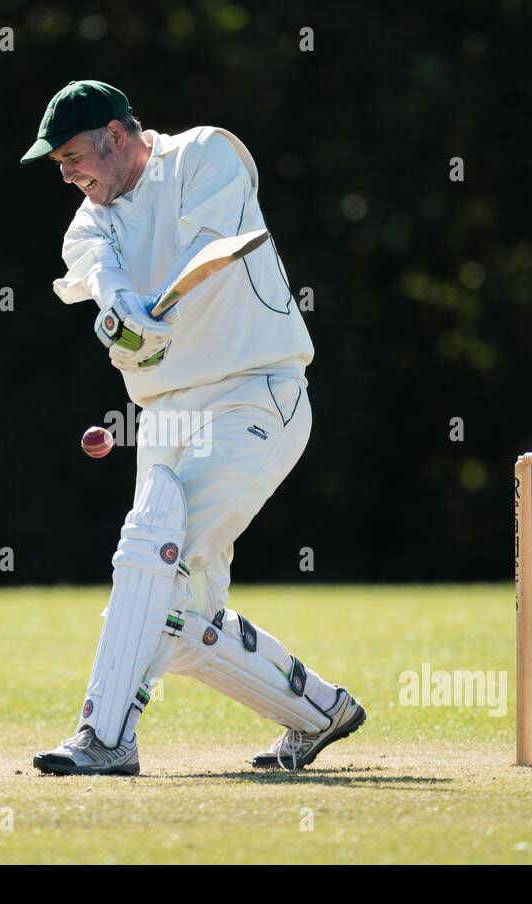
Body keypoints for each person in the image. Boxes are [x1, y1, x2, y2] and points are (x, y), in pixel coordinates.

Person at [21, 80, 364, 775]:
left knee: (154, 556)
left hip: (253, 396)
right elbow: (101, 270)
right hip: (165, 418)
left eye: (74, 155)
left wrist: (154, 313)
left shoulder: (206, 156)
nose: (68, 173)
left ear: (118, 136)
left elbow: (209, 256)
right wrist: (124, 314)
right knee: (182, 611)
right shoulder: (92, 216)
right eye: (57, 163)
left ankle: (106, 737)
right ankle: (320, 711)